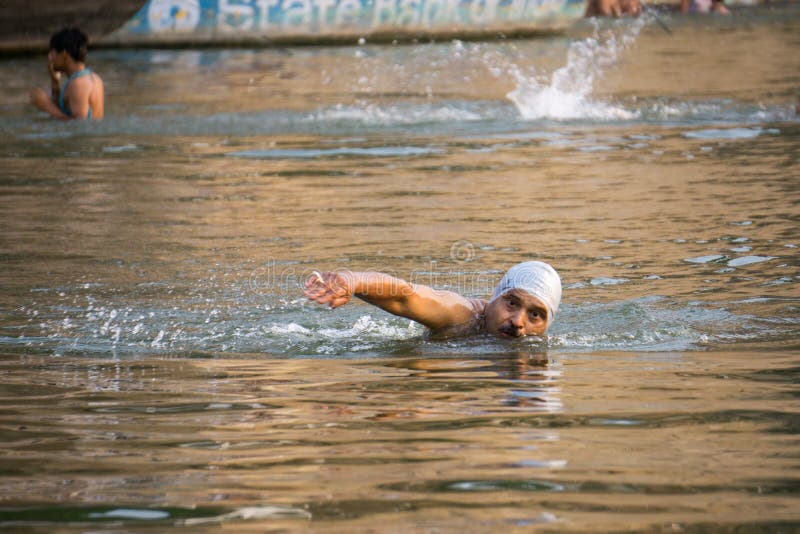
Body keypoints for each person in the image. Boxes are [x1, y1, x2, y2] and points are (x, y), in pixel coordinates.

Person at [304, 261, 562, 339]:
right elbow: (405, 295)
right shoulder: (463, 315)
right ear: (494, 298)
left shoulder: (542, 362)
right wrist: (353, 280)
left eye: (535, 315)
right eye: (512, 303)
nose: (518, 321)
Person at [29, 28, 104, 120]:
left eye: (52, 53)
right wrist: (55, 83)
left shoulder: (78, 84)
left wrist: (47, 106)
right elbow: (65, 112)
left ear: (64, 54)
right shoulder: (94, 77)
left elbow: (80, 125)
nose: (50, 58)